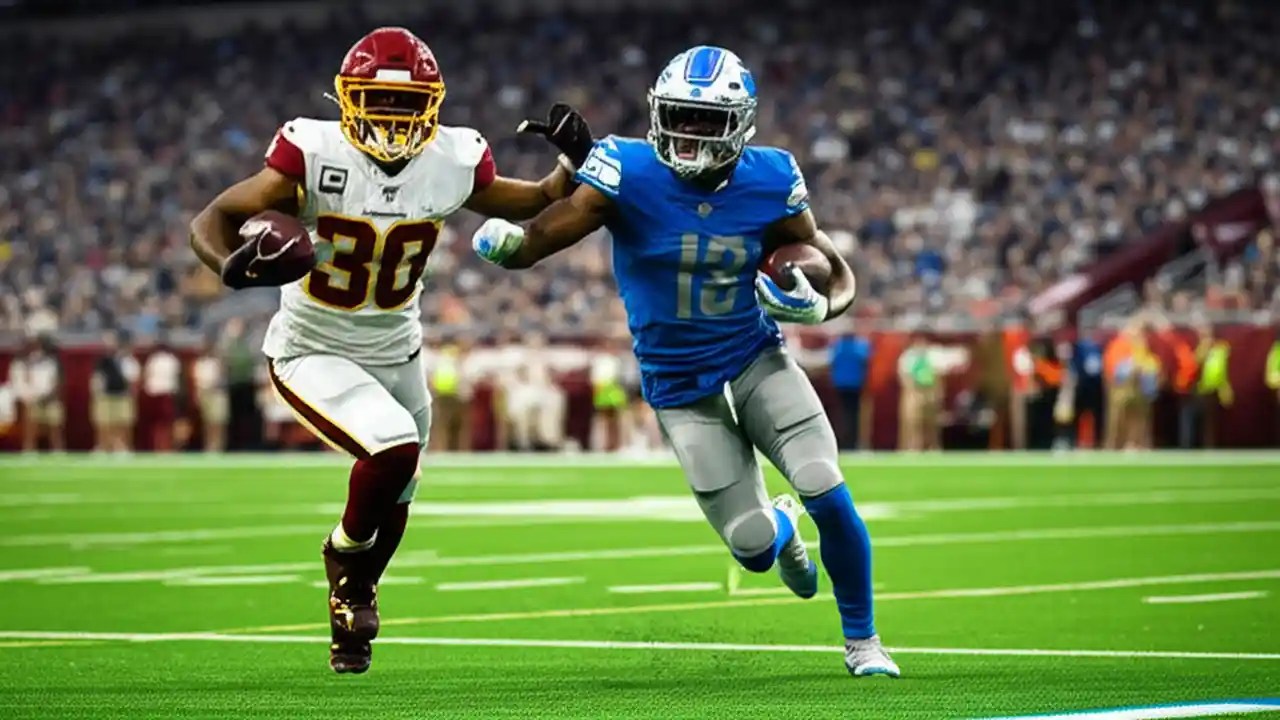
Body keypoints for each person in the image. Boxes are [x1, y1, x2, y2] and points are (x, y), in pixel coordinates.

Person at [472, 45, 897, 678]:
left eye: (705, 119)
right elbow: (543, 234)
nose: (689, 132)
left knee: (824, 485)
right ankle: (781, 530)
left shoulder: (772, 177)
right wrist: (513, 249)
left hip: (753, 356)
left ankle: (863, 641)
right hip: (676, 384)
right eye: (680, 115)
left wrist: (819, 307)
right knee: (752, 549)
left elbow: (834, 270)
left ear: (740, 123)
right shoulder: (627, 169)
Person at [188, 27, 594, 674]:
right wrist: (228, 268)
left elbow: (540, 200)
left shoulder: (454, 157)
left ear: (432, 105)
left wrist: (573, 162)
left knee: (402, 483)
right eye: (377, 99)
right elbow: (213, 218)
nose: (392, 116)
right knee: (392, 447)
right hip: (312, 345)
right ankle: (344, 557)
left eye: (406, 104)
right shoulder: (313, 150)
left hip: (397, 345)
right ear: (347, 99)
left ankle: (353, 609)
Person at [92, 331, 139, 454]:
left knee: (123, 423)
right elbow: (98, 378)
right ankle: (104, 447)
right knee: (105, 423)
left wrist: (131, 394)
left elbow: (132, 380)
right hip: (106, 396)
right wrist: (97, 393)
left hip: (122, 396)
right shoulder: (102, 362)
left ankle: (123, 447)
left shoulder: (127, 360)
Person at [828, 329, 871, 451]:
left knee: (843, 413)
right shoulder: (859, 347)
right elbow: (866, 359)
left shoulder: (838, 347)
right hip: (856, 384)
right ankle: (853, 442)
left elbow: (832, 362)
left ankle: (843, 442)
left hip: (840, 384)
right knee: (854, 415)